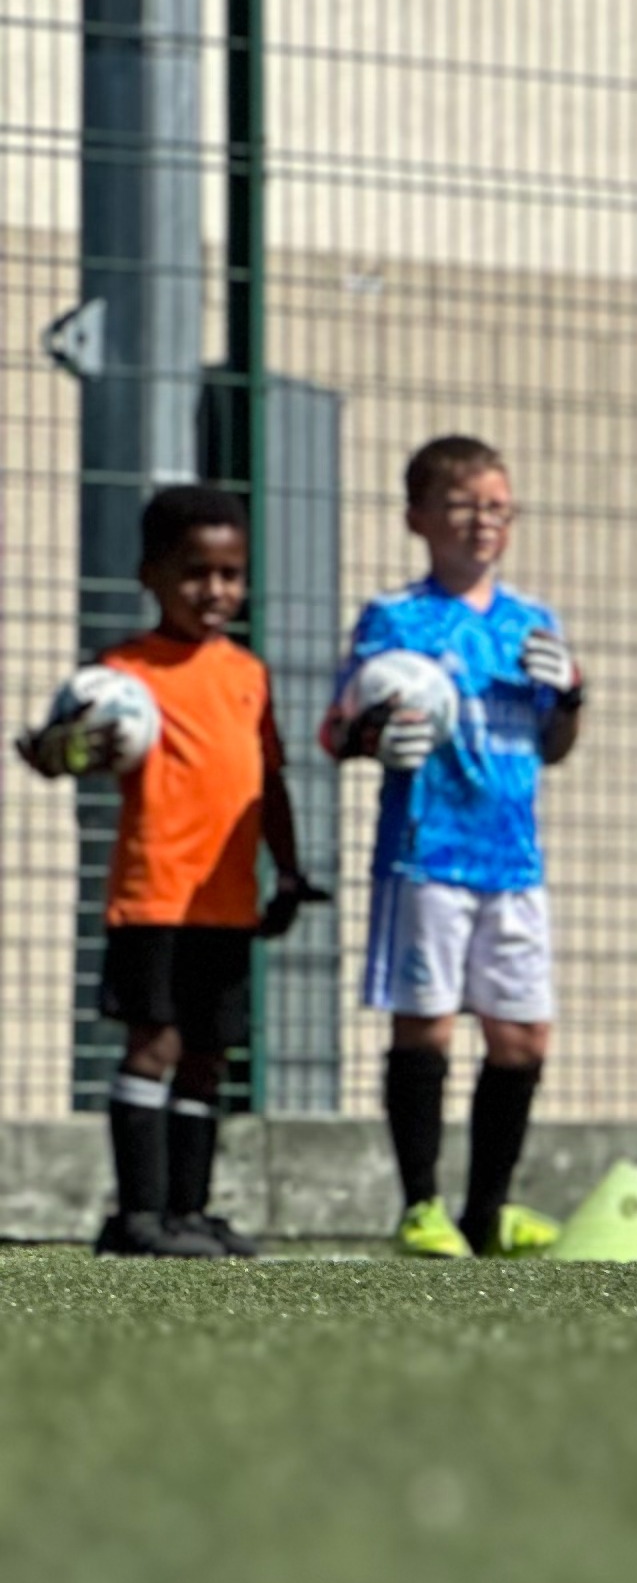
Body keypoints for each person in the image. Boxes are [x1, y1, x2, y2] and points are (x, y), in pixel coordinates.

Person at [39, 485, 323, 1258]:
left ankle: (188, 1213)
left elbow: (268, 784)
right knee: (154, 1046)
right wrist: (56, 747)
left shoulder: (247, 674)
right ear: (150, 575)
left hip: (227, 901)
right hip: (155, 895)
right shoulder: (121, 676)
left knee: (207, 1054)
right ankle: (137, 1217)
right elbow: (54, 751)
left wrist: (290, 874)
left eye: (231, 574)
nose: (216, 591)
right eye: (196, 573)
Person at [322, 435, 583, 1257]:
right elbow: (339, 729)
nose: (483, 522)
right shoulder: (394, 618)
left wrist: (572, 693)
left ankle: (488, 1211)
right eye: (465, 505)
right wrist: (374, 736)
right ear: (419, 518)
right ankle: (422, 1206)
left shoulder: (532, 622)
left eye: (497, 507)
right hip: (427, 849)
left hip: (513, 857)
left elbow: (555, 746)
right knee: (426, 1027)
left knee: (521, 1037)